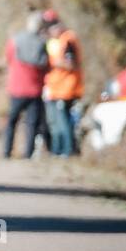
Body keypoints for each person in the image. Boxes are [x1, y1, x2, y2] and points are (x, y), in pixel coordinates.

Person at [2, 12, 50, 159]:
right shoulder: (42, 43)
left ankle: (6, 152)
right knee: (31, 124)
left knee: (11, 122)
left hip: (16, 88)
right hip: (34, 89)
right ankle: (28, 154)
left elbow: (8, 58)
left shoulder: (15, 40)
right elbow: (45, 64)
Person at [42, 10, 83, 156]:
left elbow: (71, 64)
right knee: (58, 122)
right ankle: (58, 150)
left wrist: (53, 62)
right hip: (56, 88)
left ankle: (67, 150)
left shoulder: (68, 40)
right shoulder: (58, 41)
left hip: (66, 89)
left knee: (64, 122)